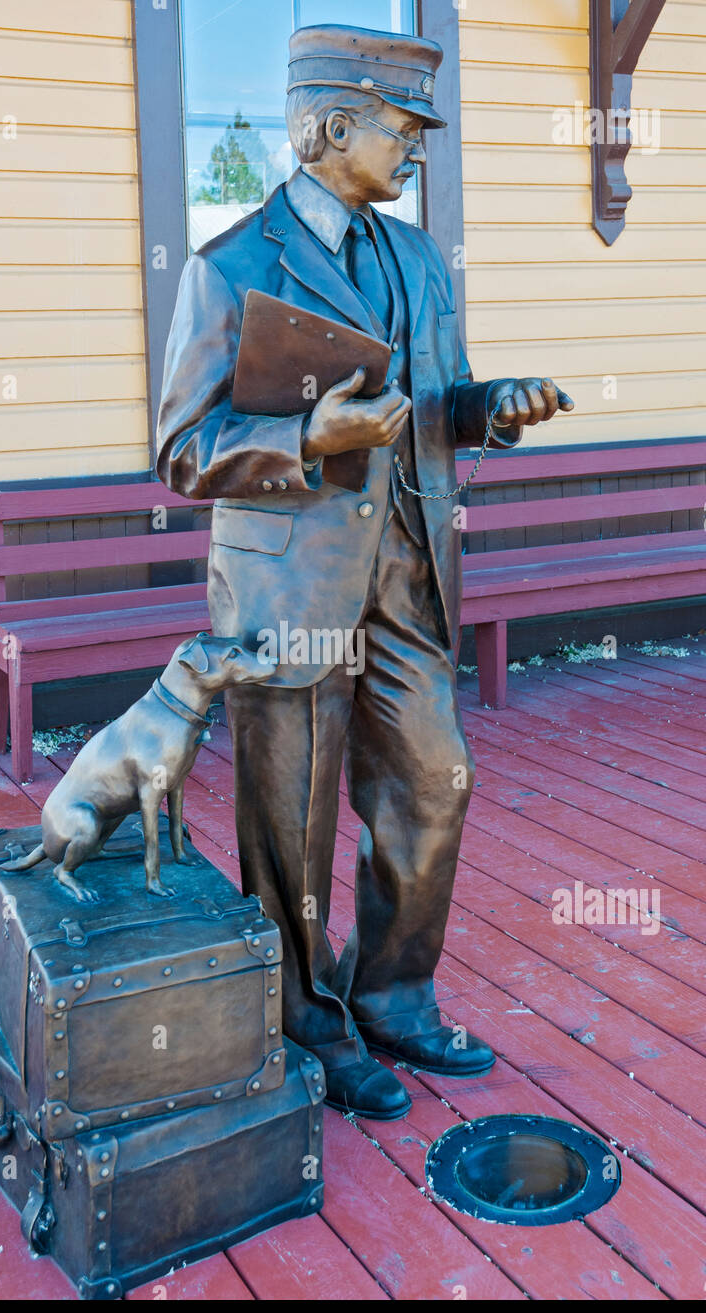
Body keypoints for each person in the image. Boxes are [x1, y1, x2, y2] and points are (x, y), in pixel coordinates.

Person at [156, 24, 573, 1120]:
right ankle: (310, 1022)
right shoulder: (229, 267)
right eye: (404, 129)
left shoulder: (421, 262)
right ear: (332, 128)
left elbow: (443, 398)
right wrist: (306, 440)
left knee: (436, 780)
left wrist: (492, 409)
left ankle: (390, 992)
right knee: (291, 819)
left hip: (406, 583)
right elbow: (182, 448)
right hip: (288, 591)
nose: (418, 151)